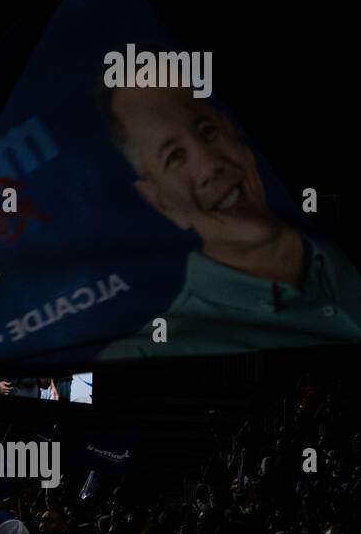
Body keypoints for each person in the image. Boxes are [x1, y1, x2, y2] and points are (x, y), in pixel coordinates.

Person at [96, 64, 361, 358]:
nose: (209, 165)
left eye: (207, 131)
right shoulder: (144, 355)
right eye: (175, 156)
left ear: (235, 134)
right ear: (161, 201)